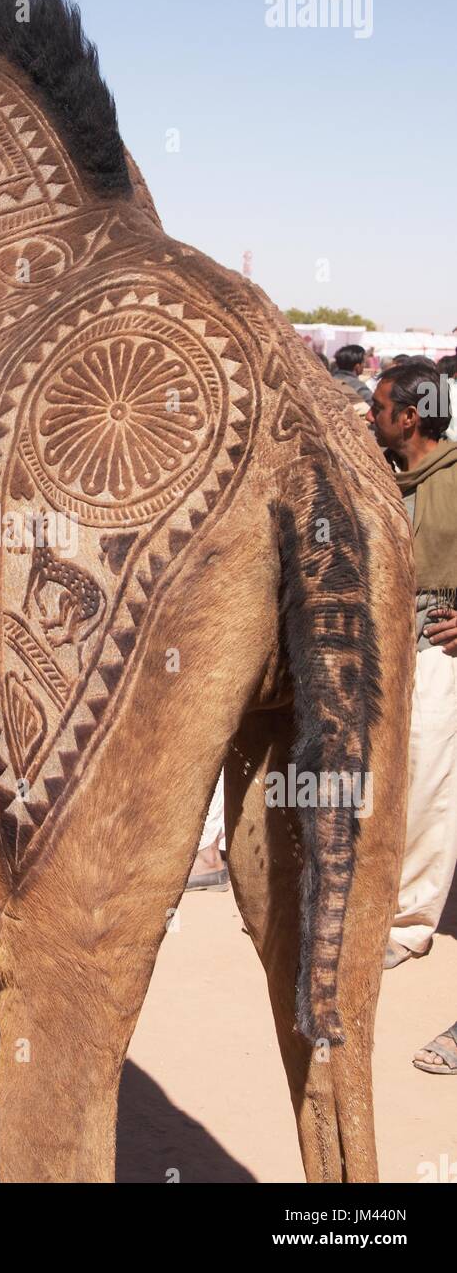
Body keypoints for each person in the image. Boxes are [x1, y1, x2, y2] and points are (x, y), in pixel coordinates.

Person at [366, 359, 457, 1072]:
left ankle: (411, 922)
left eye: (379, 408)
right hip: (381, 644)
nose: (371, 418)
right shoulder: (378, 473)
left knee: (427, 779)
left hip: (437, 650)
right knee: (381, 774)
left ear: (410, 417)